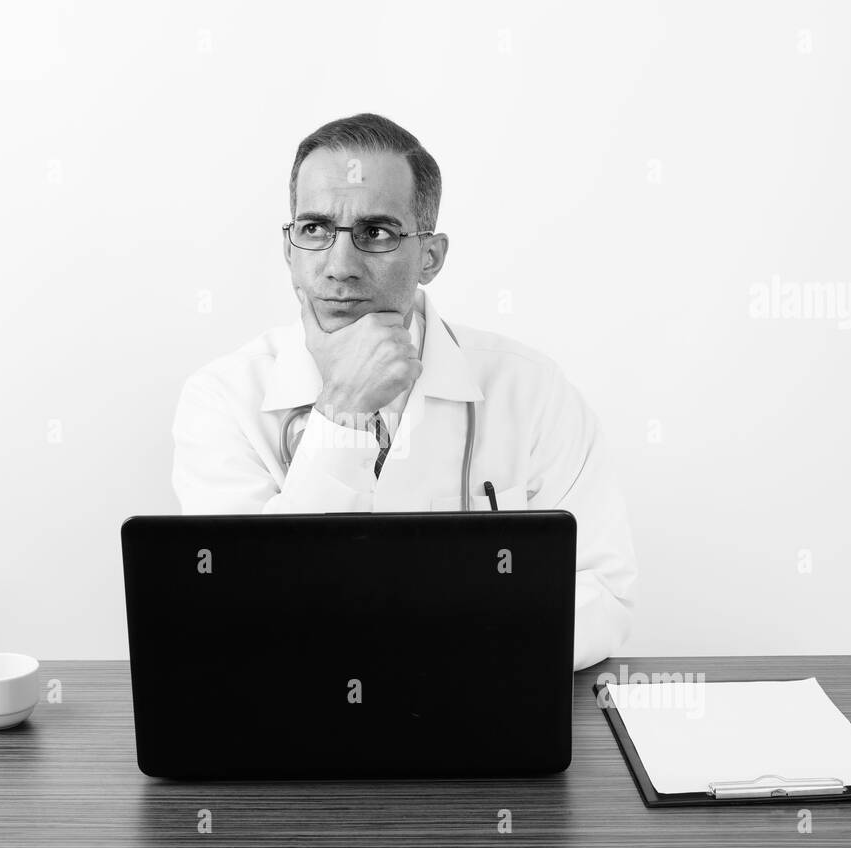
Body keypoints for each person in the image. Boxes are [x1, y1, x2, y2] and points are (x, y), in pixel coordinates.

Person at [171, 113, 638, 671]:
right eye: (315, 229)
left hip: (478, 710)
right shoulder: (221, 398)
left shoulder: (531, 390)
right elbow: (244, 613)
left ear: (430, 257)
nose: (339, 267)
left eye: (376, 233)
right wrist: (341, 411)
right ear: (289, 251)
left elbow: (603, 594)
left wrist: (431, 652)